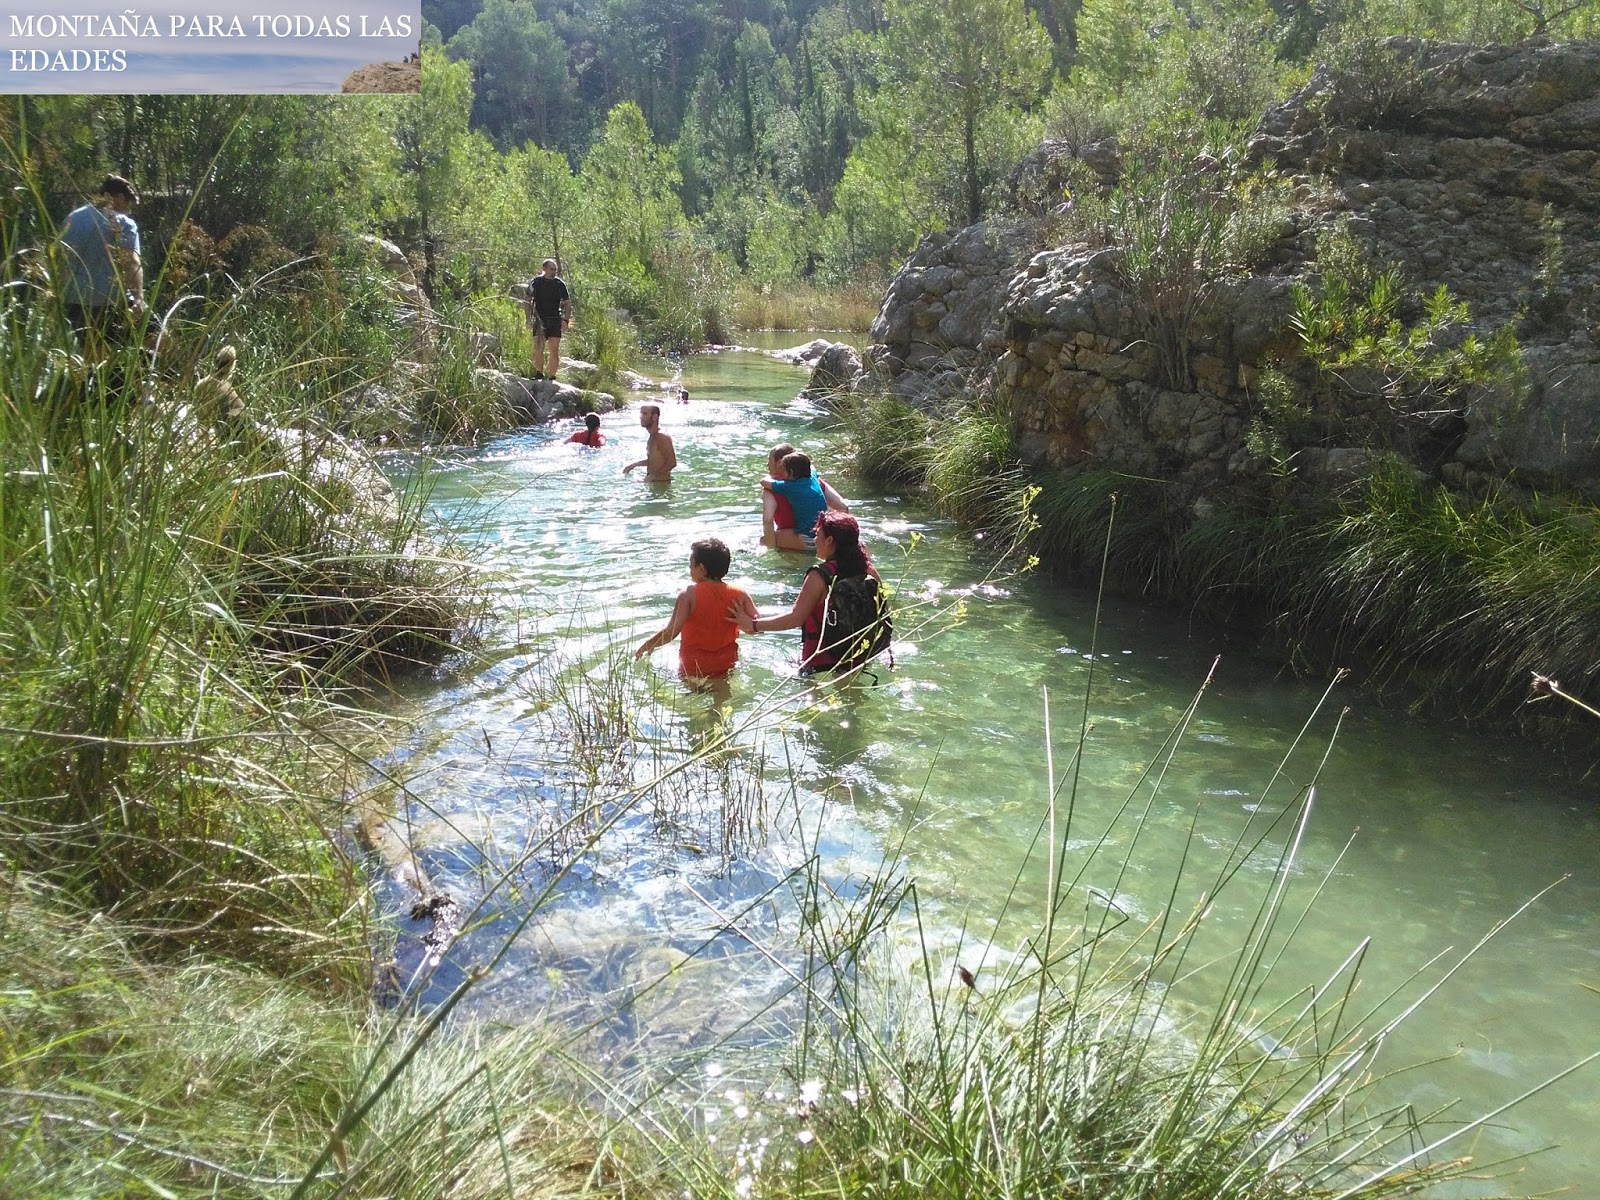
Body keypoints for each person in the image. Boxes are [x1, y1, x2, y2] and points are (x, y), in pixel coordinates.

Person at [731, 511, 885, 674]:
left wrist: (753, 625)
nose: (814, 540)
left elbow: (795, 619)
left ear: (829, 540)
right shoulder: (869, 571)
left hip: (820, 664)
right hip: (861, 656)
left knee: (813, 698)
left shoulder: (819, 576)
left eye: (817, 535)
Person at [635, 537, 757, 678]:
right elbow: (756, 628)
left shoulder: (688, 595)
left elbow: (670, 632)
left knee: (692, 696)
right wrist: (743, 622)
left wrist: (647, 645)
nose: (689, 568)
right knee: (723, 693)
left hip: (693, 666)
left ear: (702, 569)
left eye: (691, 565)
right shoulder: (740, 594)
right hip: (726, 662)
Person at [58, 174, 145, 354]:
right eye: (128, 204)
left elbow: (60, 259)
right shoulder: (122, 222)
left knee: (95, 361)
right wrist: (138, 298)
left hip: (75, 301)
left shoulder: (71, 218)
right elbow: (132, 261)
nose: (129, 211)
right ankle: (141, 375)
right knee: (160, 339)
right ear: (119, 197)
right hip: (111, 301)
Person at [761, 442, 849, 550]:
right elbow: (843, 508)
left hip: (801, 539)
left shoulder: (774, 489)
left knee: (763, 540)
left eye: (769, 460)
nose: (767, 464)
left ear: (780, 462)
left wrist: (772, 549)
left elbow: (767, 520)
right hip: (823, 537)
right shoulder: (814, 480)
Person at [524, 258, 573, 381]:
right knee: (538, 348)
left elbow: (567, 303)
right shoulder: (535, 282)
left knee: (554, 349)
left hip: (555, 320)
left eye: (555, 269)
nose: (553, 272)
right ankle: (539, 373)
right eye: (551, 269)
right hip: (540, 320)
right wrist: (528, 319)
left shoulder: (559, 284)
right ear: (544, 269)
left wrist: (566, 320)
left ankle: (552, 376)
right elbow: (527, 301)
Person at [623, 404, 676, 481]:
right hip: (655, 484)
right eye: (641, 413)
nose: (641, 417)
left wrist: (653, 476)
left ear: (654, 417)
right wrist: (634, 465)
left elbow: (672, 462)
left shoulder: (661, 437)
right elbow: (654, 461)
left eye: (644, 414)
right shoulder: (653, 437)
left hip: (661, 486)